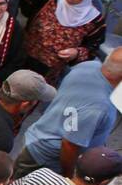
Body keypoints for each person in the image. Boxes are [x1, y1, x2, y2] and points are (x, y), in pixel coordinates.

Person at [15, 49, 122, 177]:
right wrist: (68, 177)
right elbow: (69, 144)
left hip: (37, 136)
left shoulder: (88, 66)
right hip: (44, 161)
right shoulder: (99, 107)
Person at [19, 0, 106, 84]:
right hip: (22, 56)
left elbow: (93, 48)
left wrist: (76, 53)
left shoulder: (94, 19)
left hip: (49, 71)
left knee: (29, 96)